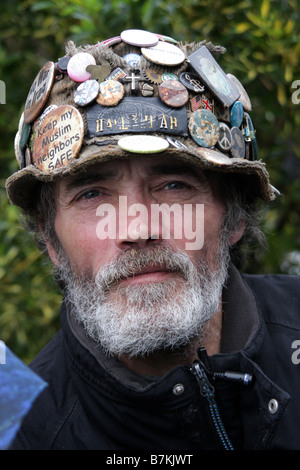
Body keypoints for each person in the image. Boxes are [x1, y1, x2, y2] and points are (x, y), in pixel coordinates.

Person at [5, 29, 300, 451]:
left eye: (174, 186)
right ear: (51, 241)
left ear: (233, 216)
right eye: (91, 194)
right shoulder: (25, 434)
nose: (137, 229)